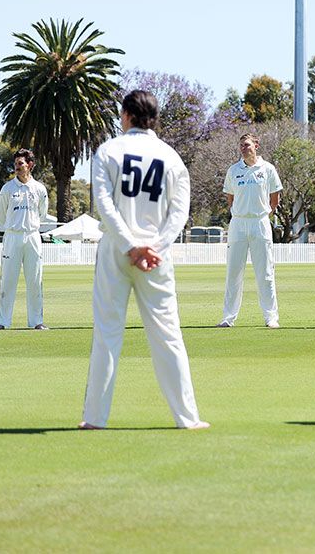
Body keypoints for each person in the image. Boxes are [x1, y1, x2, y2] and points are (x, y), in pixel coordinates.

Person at [80, 89, 207, 430]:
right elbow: (179, 212)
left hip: (116, 252)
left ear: (125, 115)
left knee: (107, 333)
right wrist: (156, 246)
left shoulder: (108, 151)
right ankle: (188, 418)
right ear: (155, 118)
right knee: (168, 334)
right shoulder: (171, 157)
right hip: (157, 256)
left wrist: (129, 245)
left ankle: (94, 419)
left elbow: (104, 206)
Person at [218, 133, 283, 328]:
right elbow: (230, 198)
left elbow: (275, 200)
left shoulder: (268, 169)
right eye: (241, 146)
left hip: (260, 222)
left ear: (256, 145)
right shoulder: (233, 170)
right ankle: (228, 317)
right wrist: (240, 213)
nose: (243, 148)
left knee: (265, 272)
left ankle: (271, 318)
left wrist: (261, 214)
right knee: (233, 272)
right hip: (238, 223)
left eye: (247, 145)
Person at [0, 149, 49, 331]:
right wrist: (14, 226)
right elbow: (1, 215)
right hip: (12, 236)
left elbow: (43, 214)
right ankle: (2, 321)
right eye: (16, 164)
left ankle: (36, 321)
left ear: (30, 165)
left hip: (32, 235)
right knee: (7, 280)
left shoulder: (39, 189)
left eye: (21, 163)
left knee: (35, 280)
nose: (17, 167)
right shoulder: (7, 188)